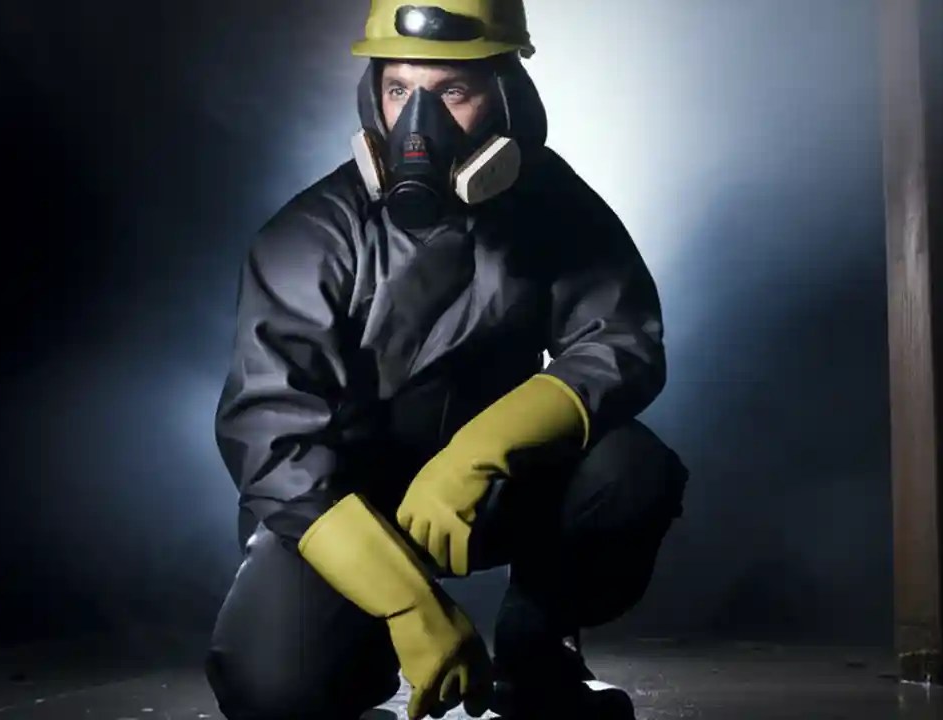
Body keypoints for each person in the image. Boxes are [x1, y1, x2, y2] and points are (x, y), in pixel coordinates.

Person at [205, 2, 688, 718]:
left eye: (452, 93)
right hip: (347, 507)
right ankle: (361, 651)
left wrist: (480, 452)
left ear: (506, 96)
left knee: (631, 470)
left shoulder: (549, 201)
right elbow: (275, 450)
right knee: (274, 693)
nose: (416, 128)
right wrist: (405, 605)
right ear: (373, 94)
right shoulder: (309, 236)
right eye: (399, 91)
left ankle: (538, 650)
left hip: (490, 490)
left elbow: (622, 342)